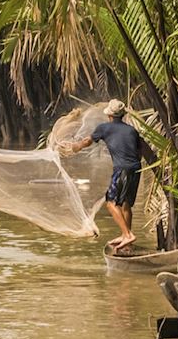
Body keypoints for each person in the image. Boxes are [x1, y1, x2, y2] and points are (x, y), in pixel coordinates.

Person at [59, 99, 142, 252]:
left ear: (110, 115)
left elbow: (87, 141)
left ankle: (127, 234)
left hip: (121, 170)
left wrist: (74, 148)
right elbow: (139, 150)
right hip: (136, 169)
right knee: (126, 205)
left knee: (110, 203)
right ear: (121, 115)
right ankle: (127, 240)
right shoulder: (131, 130)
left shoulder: (105, 128)